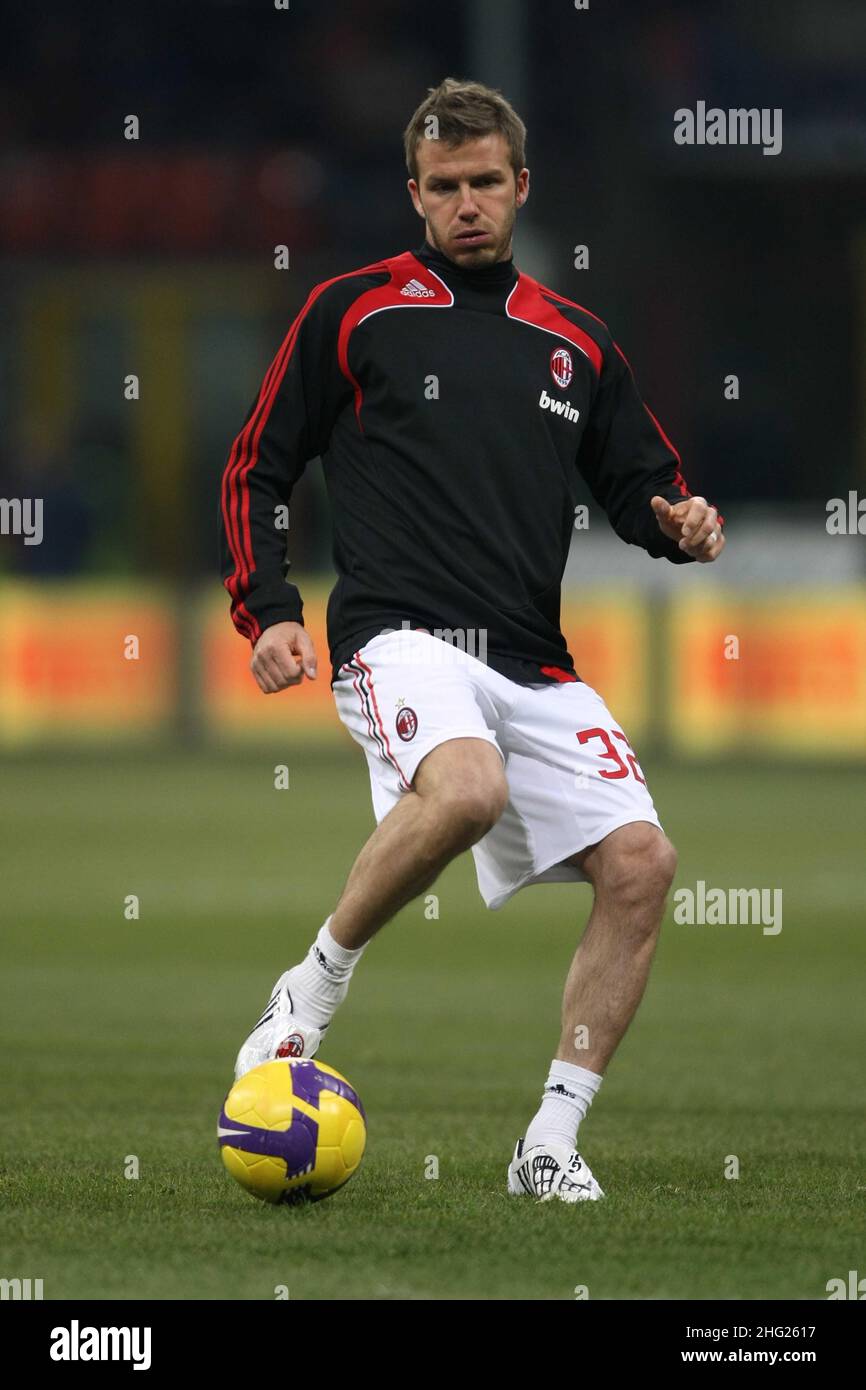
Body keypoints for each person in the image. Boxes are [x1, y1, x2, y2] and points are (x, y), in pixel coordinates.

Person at [219, 78, 725, 1203]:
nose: (464, 204)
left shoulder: (575, 342)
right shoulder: (353, 311)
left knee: (643, 864)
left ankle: (548, 1143)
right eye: (442, 187)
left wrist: (681, 525)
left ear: (519, 186)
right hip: (399, 635)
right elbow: (257, 460)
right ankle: (307, 991)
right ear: (414, 193)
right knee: (462, 790)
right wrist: (270, 609)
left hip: (531, 658)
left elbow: (643, 486)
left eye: (483, 183)